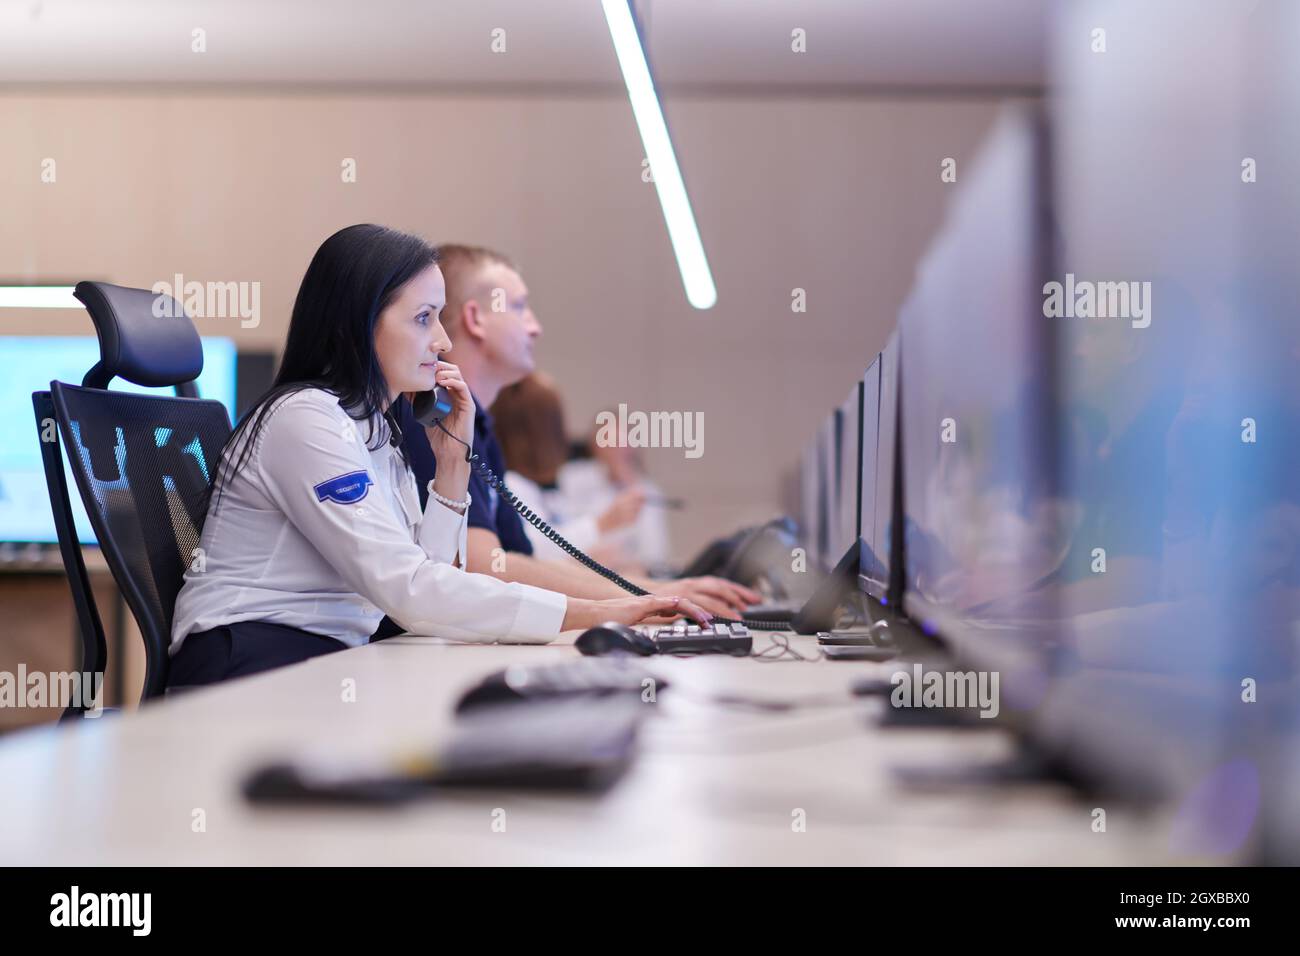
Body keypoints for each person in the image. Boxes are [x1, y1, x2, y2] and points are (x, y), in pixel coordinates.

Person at [167, 225, 710, 688]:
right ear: (360, 324)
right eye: (425, 318)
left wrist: (452, 468)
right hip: (249, 663)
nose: (444, 341)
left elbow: (426, 575)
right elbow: (408, 592)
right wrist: (593, 614)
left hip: (320, 659)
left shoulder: (373, 428)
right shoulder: (306, 420)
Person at [393, 243, 758, 616]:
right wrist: (644, 598)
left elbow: (520, 560)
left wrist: (654, 593)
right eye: (519, 308)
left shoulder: (479, 428)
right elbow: (484, 566)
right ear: (476, 319)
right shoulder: (434, 421)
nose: (536, 327)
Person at [491, 372, 652, 573]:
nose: (565, 432)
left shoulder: (541, 486)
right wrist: (603, 523)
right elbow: (531, 552)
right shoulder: (511, 485)